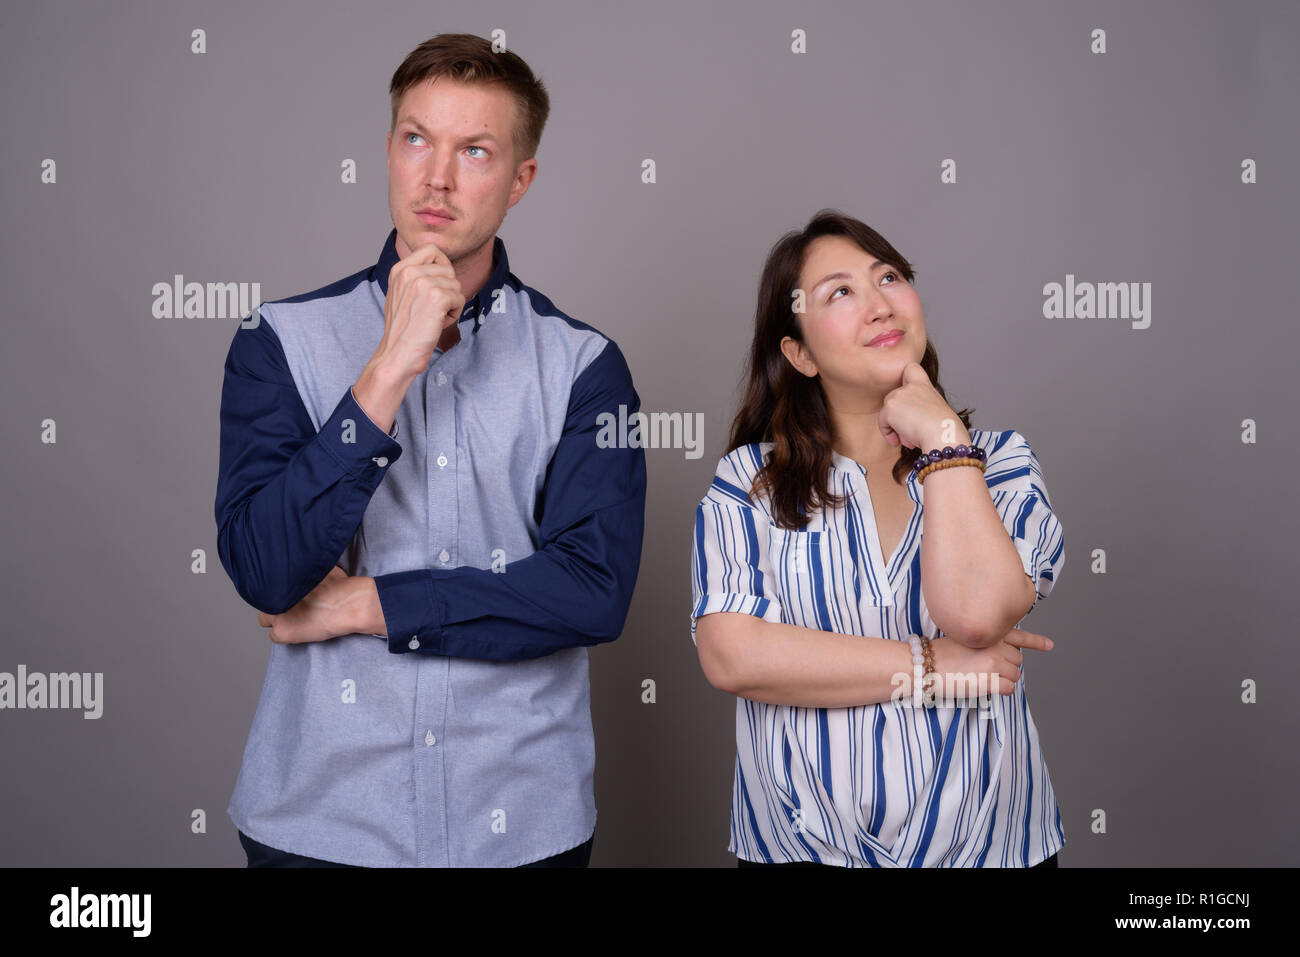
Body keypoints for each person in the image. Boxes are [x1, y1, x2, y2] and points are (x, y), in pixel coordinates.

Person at [214, 34, 646, 868]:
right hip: (319, 822)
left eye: (474, 150)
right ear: (387, 150)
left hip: (523, 823)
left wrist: (361, 604)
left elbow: (593, 592)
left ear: (520, 179)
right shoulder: (277, 339)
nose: (436, 178)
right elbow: (265, 570)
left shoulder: (585, 365)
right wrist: (387, 369)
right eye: (416, 139)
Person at [690, 209, 1066, 867]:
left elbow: (976, 615)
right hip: (799, 850)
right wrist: (937, 666)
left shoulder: (1000, 462)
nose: (878, 304)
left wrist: (947, 443)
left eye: (888, 276)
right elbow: (735, 656)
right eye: (840, 292)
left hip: (988, 849)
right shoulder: (749, 480)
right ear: (799, 352)